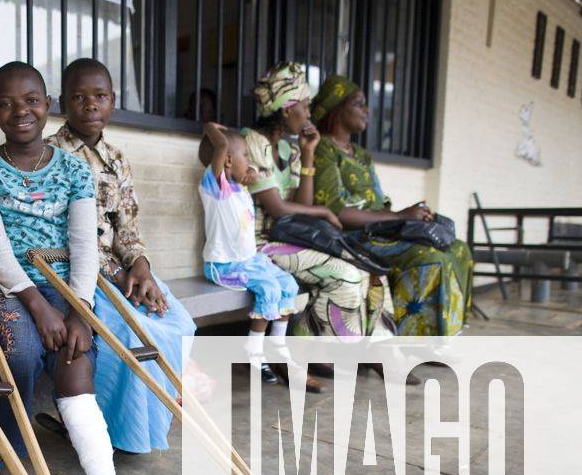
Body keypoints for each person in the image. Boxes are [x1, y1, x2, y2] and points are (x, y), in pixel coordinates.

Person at [0, 61, 153, 475]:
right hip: (5, 284)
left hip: (66, 284)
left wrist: (79, 310)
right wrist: (38, 305)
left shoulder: (73, 169)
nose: (20, 111)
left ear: (47, 105)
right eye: (6, 102)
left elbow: (85, 245)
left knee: (75, 359)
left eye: (31, 101)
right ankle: (7, 437)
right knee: (23, 350)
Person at [46, 58, 197, 454]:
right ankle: (113, 432)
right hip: (74, 272)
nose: (90, 105)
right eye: (79, 97)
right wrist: (104, 272)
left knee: (177, 321)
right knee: (131, 333)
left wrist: (140, 267)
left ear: (113, 101)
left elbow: (127, 227)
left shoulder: (117, 159)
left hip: (117, 268)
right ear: (63, 103)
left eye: (100, 96)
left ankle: (147, 418)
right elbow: (47, 230)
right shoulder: (49, 154)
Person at [243, 62, 396, 340]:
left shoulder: (289, 149)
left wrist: (308, 154)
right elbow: (277, 208)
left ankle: (373, 347)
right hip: (259, 247)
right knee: (345, 275)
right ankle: (313, 349)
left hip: (287, 240)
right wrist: (324, 212)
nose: (309, 114)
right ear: (287, 109)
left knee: (365, 268)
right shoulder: (253, 142)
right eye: (305, 106)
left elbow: (303, 204)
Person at [312, 75, 473, 336]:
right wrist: (397, 216)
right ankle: (409, 339)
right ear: (337, 108)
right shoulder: (323, 150)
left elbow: (379, 202)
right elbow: (335, 211)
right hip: (351, 237)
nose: (367, 110)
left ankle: (443, 338)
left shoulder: (360, 154)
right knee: (429, 258)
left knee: (458, 249)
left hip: (380, 230)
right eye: (359, 104)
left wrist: (410, 215)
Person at [198, 122, 324, 393]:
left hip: (250, 260)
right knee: (269, 288)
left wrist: (249, 171)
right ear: (228, 160)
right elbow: (221, 145)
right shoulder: (214, 187)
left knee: (288, 284)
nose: (250, 163)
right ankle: (253, 348)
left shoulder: (239, 188)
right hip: (224, 265)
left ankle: (277, 345)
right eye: (245, 155)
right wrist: (210, 126)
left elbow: (246, 171)